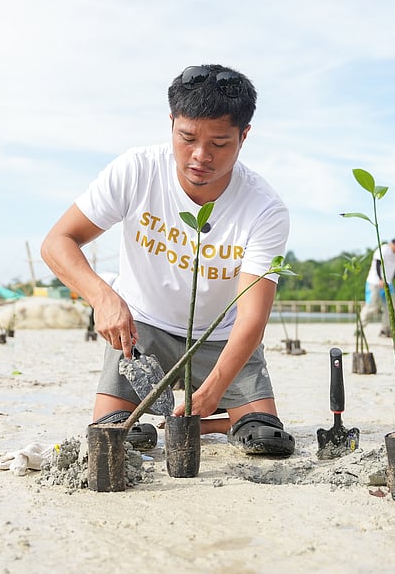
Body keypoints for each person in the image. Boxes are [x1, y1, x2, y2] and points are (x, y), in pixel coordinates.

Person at [40, 64, 295, 457]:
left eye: (220, 143)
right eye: (187, 137)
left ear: (244, 136)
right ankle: (173, 415)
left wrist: (209, 394)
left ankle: (216, 418)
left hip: (220, 337)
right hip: (141, 332)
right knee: (116, 435)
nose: (200, 156)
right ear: (172, 122)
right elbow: (58, 242)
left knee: (265, 438)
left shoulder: (265, 208)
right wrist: (104, 298)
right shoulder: (136, 170)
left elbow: (251, 318)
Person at [360, 236, 395, 338]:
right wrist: (380, 279)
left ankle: (385, 330)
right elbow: (378, 264)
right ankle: (360, 328)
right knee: (372, 307)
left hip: (388, 284)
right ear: (393, 244)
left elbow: (393, 270)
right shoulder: (384, 249)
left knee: (391, 308)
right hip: (375, 282)